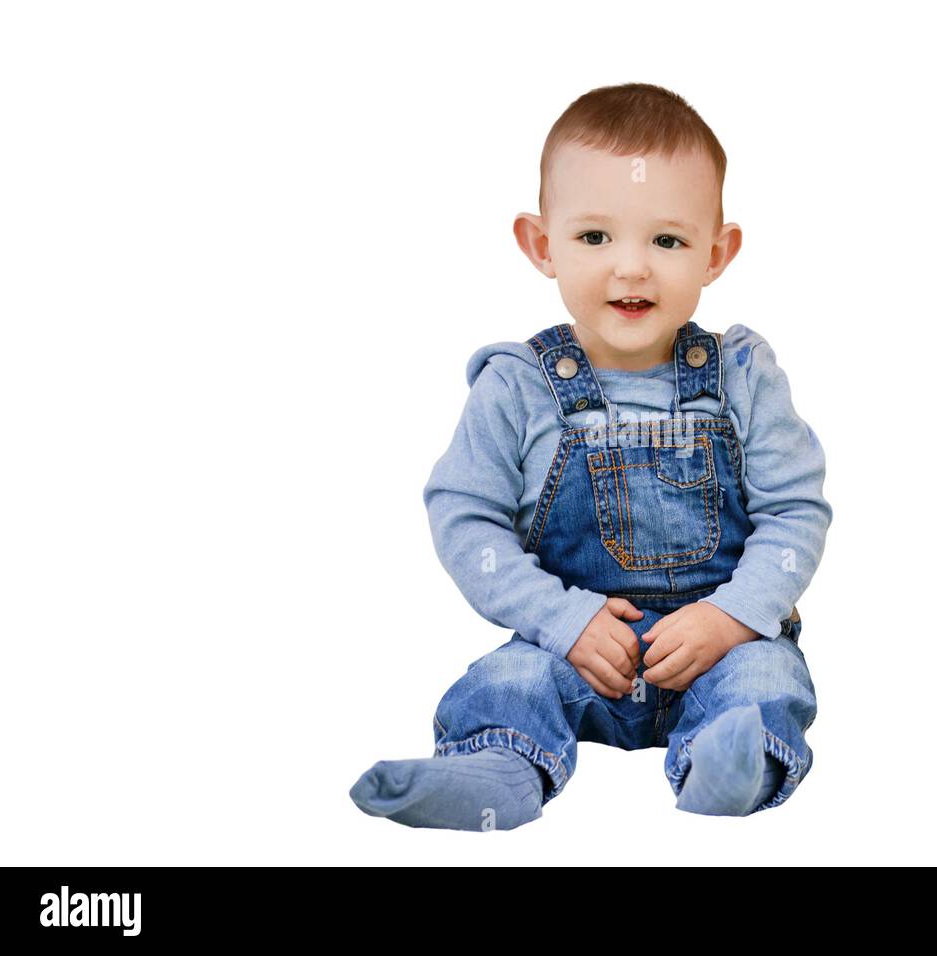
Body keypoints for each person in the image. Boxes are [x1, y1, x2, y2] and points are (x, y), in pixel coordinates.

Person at [349, 83, 832, 830]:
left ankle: (729, 763)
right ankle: (500, 769)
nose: (632, 268)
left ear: (717, 252)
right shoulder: (517, 386)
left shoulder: (741, 375)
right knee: (509, 678)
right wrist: (559, 619)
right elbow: (466, 519)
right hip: (574, 652)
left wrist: (733, 618)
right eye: (595, 237)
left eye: (667, 241)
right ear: (542, 245)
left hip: (716, 647)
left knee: (768, 677)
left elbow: (794, 512)